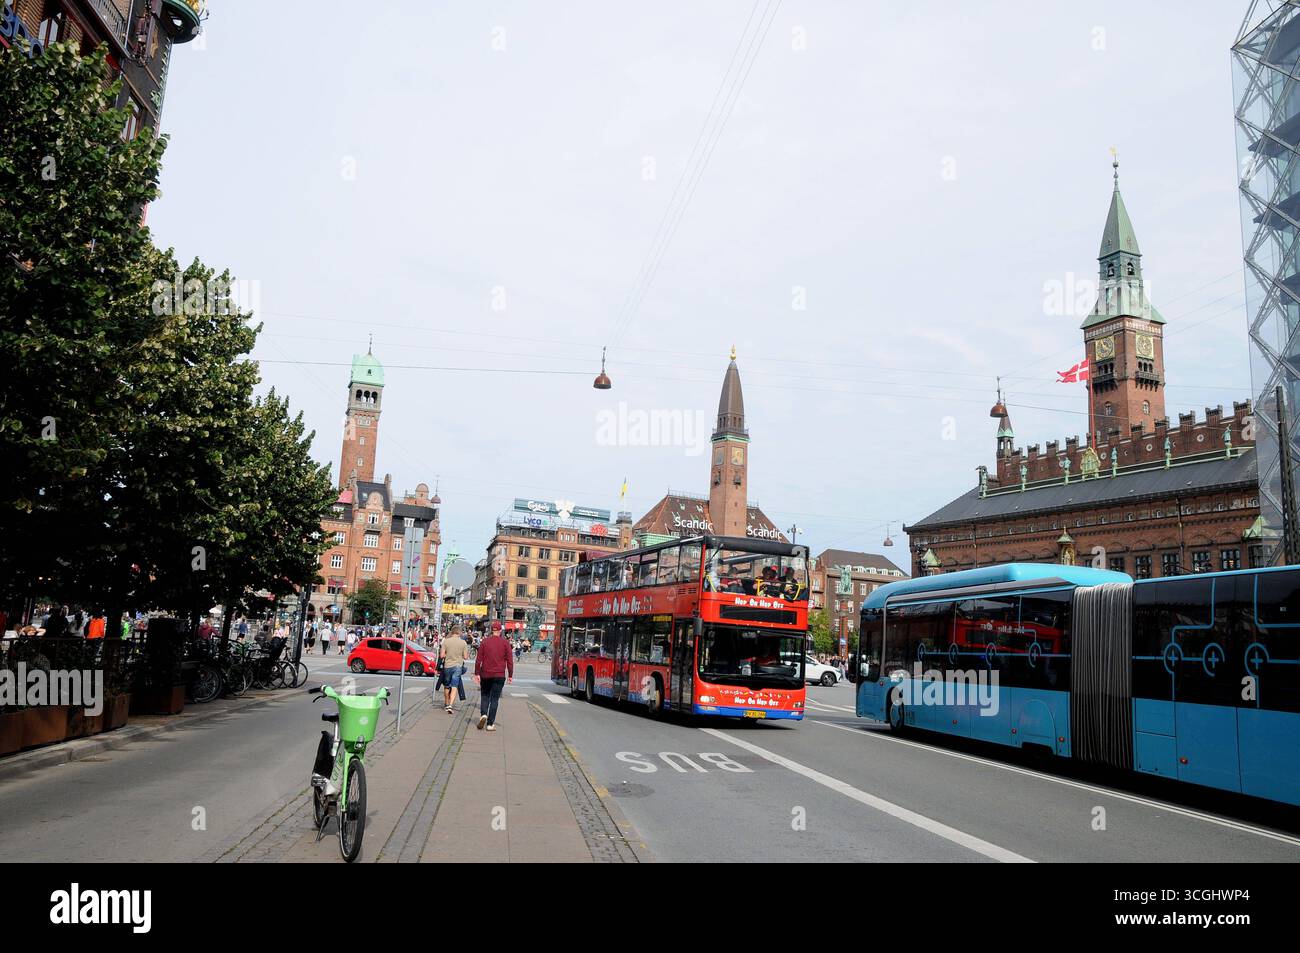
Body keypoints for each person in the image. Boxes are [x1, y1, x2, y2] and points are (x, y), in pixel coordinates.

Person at [474, 621, 514, 731]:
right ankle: (490, 724)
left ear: (492, 630)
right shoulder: (505, 643)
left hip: (486, 673)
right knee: (495, 699)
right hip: (499, 674)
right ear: (500, 631)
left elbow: (478, 660)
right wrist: (510, 674)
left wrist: (477, 673)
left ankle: (483, 714)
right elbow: (510, 661)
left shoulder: (485, 642)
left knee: (485, 695)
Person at [440, 626, 469, 714]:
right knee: (454, 686)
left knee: (446, 685)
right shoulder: (463, 643)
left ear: (452, 632)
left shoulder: (446, 641)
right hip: (457, 666)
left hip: (447, 666)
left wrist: (448, 655)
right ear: (459, 633)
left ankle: (446, 702)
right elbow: (465, 657)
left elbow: (441, 656)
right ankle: (450, 705)